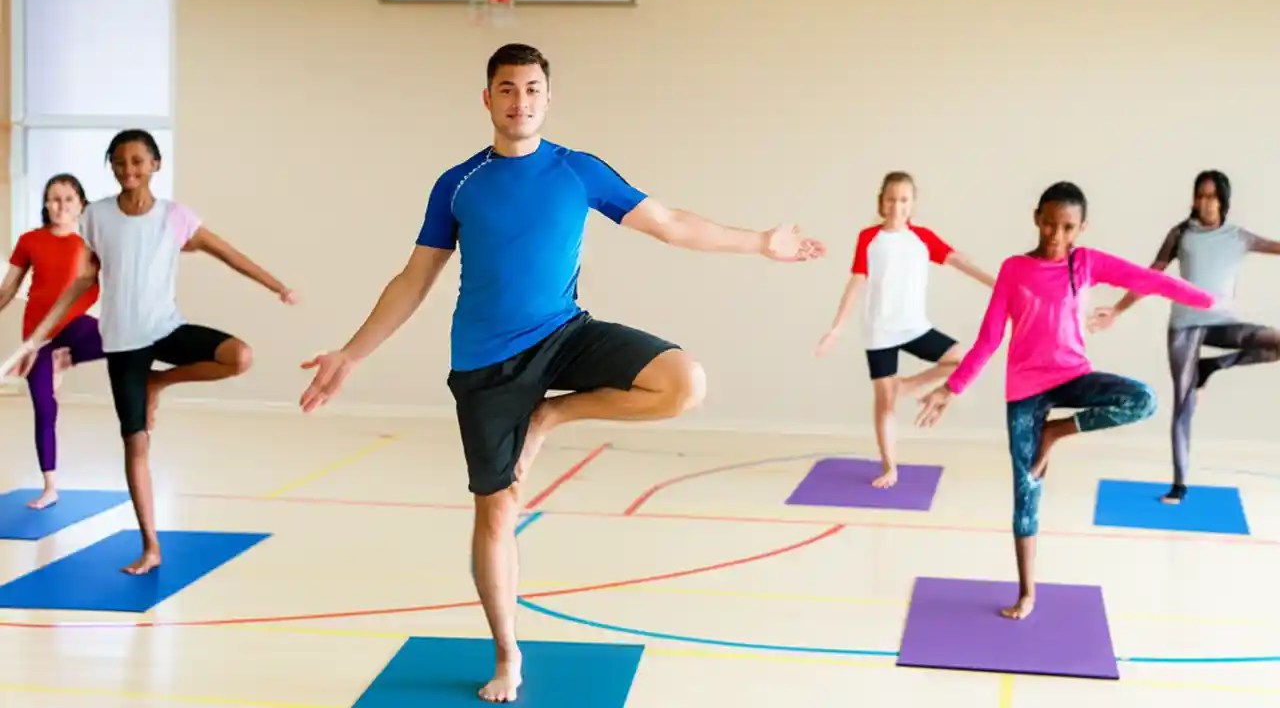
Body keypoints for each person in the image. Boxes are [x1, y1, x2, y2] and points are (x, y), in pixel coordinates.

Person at [297, 43, 825, 703]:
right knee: (498, 511)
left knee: (684, 382)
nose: (521, 100)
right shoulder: (458, 183)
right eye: (508, 89)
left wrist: (760, 243)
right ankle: (507, 653)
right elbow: (414, 279)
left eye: (533, 88)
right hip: (486, 363)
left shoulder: (579, 171)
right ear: (487, 99)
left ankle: (554, 413)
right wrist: (352, 352)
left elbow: (668, 224)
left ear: (549, 98)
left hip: (563, 334)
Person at [915, 181, 1215, 620]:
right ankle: (1026, 594)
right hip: (1025, 389)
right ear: (1037, 217)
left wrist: (1206, 299)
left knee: (1143, 399)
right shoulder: (1014, 269)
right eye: (1050, 223)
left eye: (1068, 227)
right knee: (1026, 491)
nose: (1056, 235)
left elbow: (1147, 279)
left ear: (1082, 227)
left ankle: (1057, 431)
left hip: (1073, 377)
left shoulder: (1086, 263)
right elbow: (989, 339)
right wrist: (951, 387)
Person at [12, 129, 297, 575]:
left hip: (166, 329)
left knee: (240, 356)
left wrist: (275, 284)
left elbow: (227, 253)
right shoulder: (97, 217)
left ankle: (159, 381)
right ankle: (150, 546)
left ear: (155, 165)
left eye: (138, 161)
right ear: (111, 166)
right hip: (123, 342)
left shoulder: (175, 217)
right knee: (136, 445)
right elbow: (83, 282)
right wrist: (37, 338)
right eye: (120, 162)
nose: (129, 170)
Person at [1089, 170, 1280, 504]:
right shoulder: (1180, 234)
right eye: (1200, 195)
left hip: (1223, 322)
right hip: (1185, 325)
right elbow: (1151, 275)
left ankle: (1213, 366)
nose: (1204, 202)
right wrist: (1119, 309)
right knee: (1183, 401)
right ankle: (1179, 485)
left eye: (1211, 196)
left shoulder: (1239, 237)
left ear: (1223, 200)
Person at [816, 171, 995, 488]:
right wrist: (836, 328)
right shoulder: (869, 238)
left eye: (903, 200)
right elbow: (856, 283)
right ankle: (889, 467)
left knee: (962, 358)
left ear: (912, 204)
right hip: (879, 329)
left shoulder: (923, 238)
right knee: (884, 404)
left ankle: (907, 386)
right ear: (881, 203)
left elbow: (960, 262)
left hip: (914, 327)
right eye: (891, 200)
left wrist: (998, 285)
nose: (897, 207)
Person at [0, 173, 103, 509]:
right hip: (37, 336)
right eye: (53, 198)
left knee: (113, 335)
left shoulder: (92, 243)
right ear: (45, 203)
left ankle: (67, 356)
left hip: (74, 325)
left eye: (68, 199)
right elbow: (10, 287)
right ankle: (49, 486)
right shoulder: (30, 240)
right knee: (45, 409)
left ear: (80, 204)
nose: (60, 205)